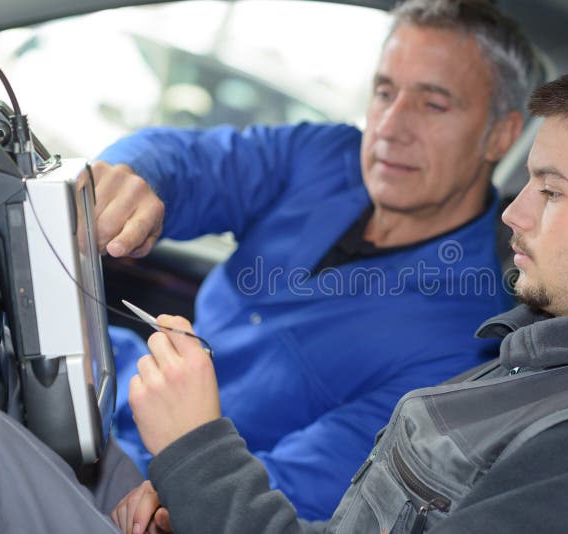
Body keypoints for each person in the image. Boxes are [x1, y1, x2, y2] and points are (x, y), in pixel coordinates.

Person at [0, 63, 568, 534]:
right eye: (385, 90)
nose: (515, 213)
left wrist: (194, 453)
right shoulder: (536, 361)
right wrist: (131, 179)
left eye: (549, 191)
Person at [92, 0, 534, 519]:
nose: (390, 126)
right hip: (109, 383)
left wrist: (178, 488)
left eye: (434, 105)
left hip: (152, 485)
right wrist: (134, 176)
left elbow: (304, 492)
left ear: (501, 135)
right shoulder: (326, 156)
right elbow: (196, 162)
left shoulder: (465, 341)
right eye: (385, 92)